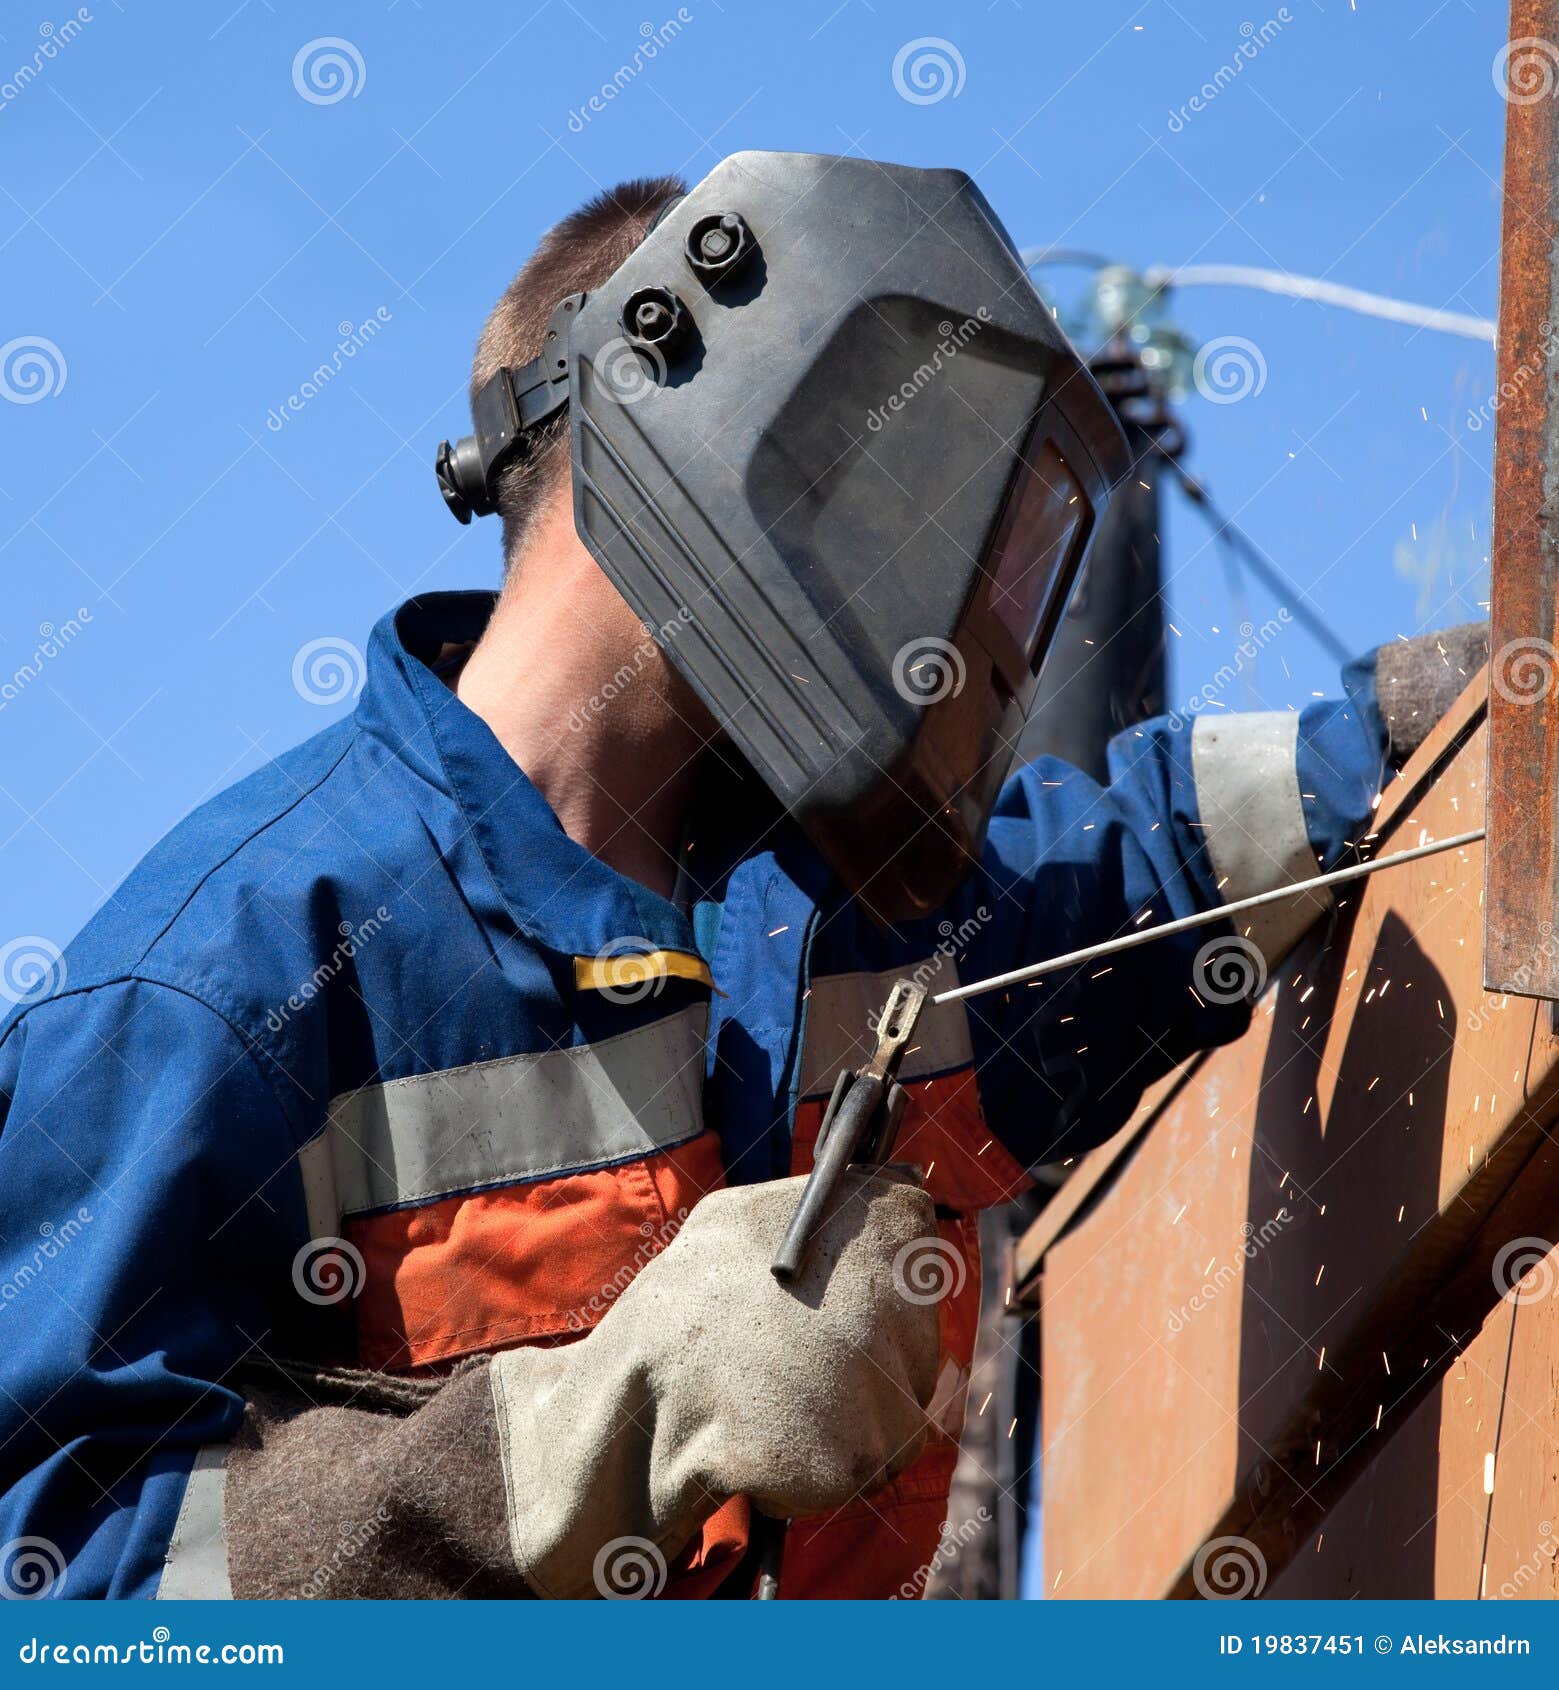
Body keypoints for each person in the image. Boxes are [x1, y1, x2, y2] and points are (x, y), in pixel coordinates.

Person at [0, 172, 1482, 1602]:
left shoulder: (847, 906)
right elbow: (60, 1575)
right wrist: (585, 1437)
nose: (961, 595)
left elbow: (1153, 862)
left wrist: (1444, 721)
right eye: (899, 473)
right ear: (691, 406)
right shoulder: (228, 978)